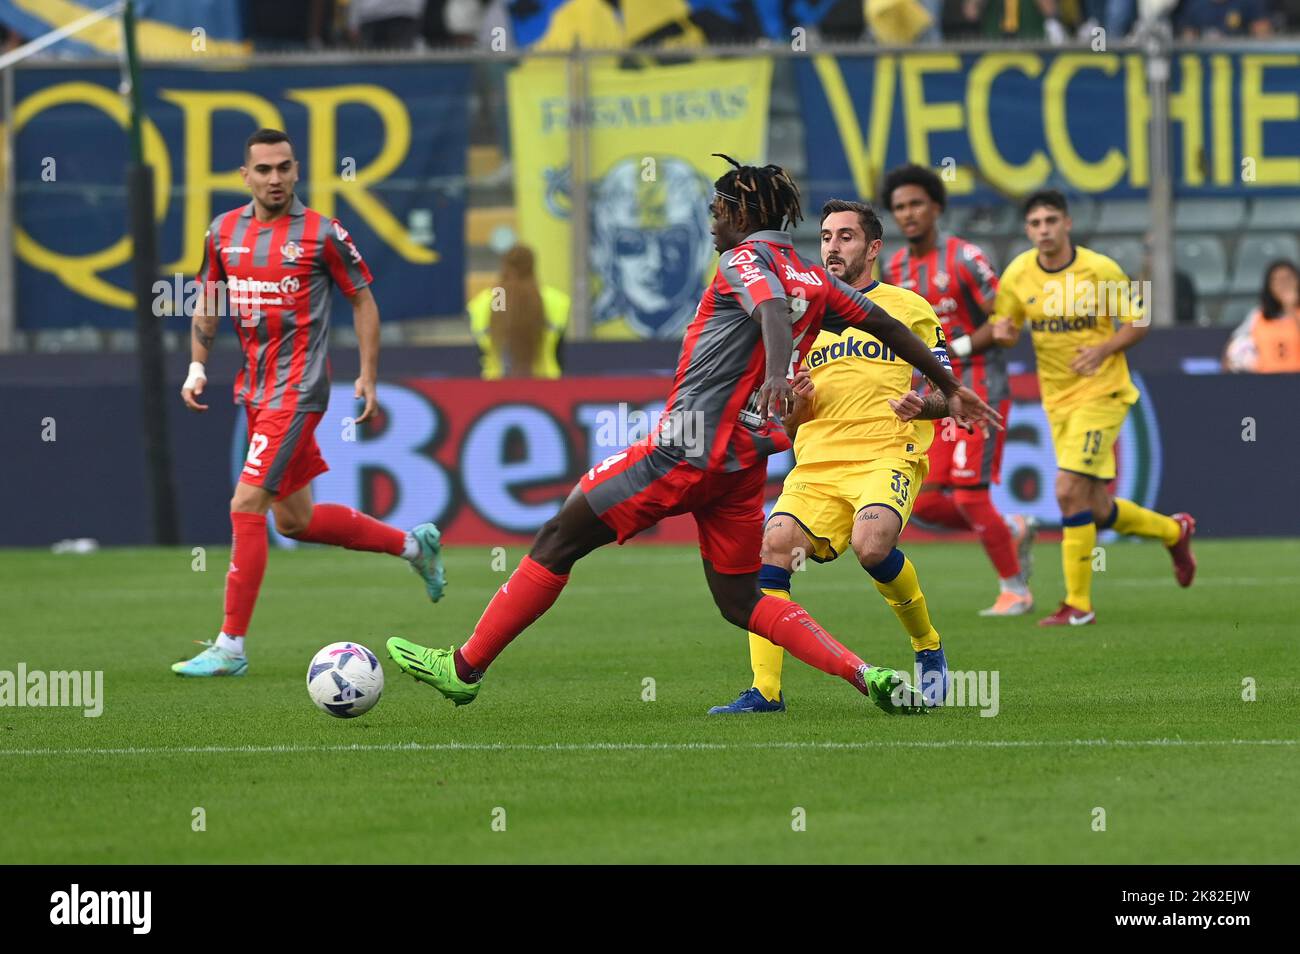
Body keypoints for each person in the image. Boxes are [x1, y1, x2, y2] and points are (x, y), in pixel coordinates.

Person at [387, 156, 999, 714]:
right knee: (741, 601)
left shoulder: (743, 260)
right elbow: (889, 326)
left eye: (717, 210)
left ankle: (464, 667)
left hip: (684, 447)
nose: (711, 222)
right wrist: (953, 384)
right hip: (741, 464)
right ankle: (868, 676)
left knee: (556, 538)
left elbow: (770, 310)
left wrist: (782, 373)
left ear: (740, 213)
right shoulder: (818, 279)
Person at [175, 128, 445, 677]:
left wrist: (368, 375)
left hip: (298, 391)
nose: (275, 178)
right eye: (264, 169)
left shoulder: (323, 234)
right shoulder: (223, 232)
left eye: (284, 167)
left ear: (296, 171)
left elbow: (363, 300)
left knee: (244, 505)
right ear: (245, 175)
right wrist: (197, 364)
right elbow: (208, 296)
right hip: (253, 390)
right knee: (294, 521)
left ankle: (231, 646)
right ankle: (415, 548)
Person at [709, 199, 966, 715]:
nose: (832, 246)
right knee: (772, 548)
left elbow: (952, 394)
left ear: (873, 248)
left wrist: (925, 403)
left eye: (846, 237)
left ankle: (927, 646)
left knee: (871, 546)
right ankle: (765, 691)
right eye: (826, 237)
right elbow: (787, 420)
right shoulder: (799, 314)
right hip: (818, 463)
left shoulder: (908, 306)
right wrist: (794, 404)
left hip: (885, 453)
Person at [991, 190, 1196, 627]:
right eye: (1035, 223)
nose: (1043, 229)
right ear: (1028, 230)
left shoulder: (1101, 269)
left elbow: (1138, 321)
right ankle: (1174, 531)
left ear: (1067, 224)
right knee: (1096, 507)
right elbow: (1006, 331)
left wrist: (1103, 349)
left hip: (1103, 393)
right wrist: (1005, 334)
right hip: (1057, 399)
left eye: (1051, 220)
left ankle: (1078, 605)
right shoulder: (1017, 275)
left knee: (1066, 491)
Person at [881, 163, 1035, 617]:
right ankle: (1010, 528)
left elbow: (1004, 324)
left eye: (916, 204)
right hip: (933, 397)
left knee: (970, 495)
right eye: (900, 207)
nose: (908, 214)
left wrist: (957, 346)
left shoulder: (966, 257)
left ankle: (1015, 591)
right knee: (924, 501)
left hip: (979, 386)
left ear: (937, 207)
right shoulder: (893, 267)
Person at [468, 245, 569, 379]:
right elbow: (559, 355)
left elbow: (481, 355)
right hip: (545, 385)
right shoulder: (554, 299)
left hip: (495, 386)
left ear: (504, 267)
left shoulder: (490, 300)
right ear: (532, 267)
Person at [1223, 260, 1300, 373]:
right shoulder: (1258, 315)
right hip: (1265, 382)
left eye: (1288, 278)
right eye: (1277, 280)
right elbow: (1232, 346)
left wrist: (1290, 308)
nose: (1283, 284)